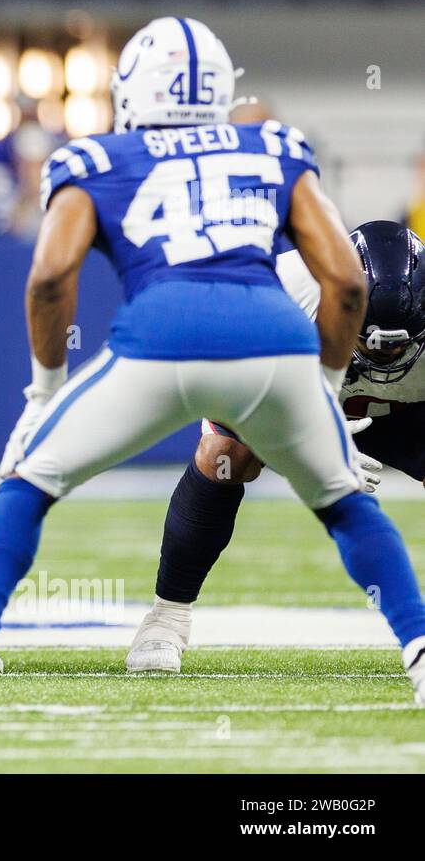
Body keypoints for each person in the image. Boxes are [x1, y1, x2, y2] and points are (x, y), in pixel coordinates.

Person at [0, 16, 425, 707]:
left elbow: (50, 278)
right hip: (268, 337)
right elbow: (348, 282)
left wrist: (46, 390)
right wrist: (323, 391)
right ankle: (420, 655)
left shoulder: (93, 159)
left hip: (160, 336)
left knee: (28, 480)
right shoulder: (273, 146)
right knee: (346, 509)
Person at [127, 220, 420, 672]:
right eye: (371, 344)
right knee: (223, 457)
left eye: (397, 351)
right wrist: (309, 446)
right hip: (291, 395)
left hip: (407, 411)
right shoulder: (278, 293)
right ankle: (167, 620)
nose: (383, 362)